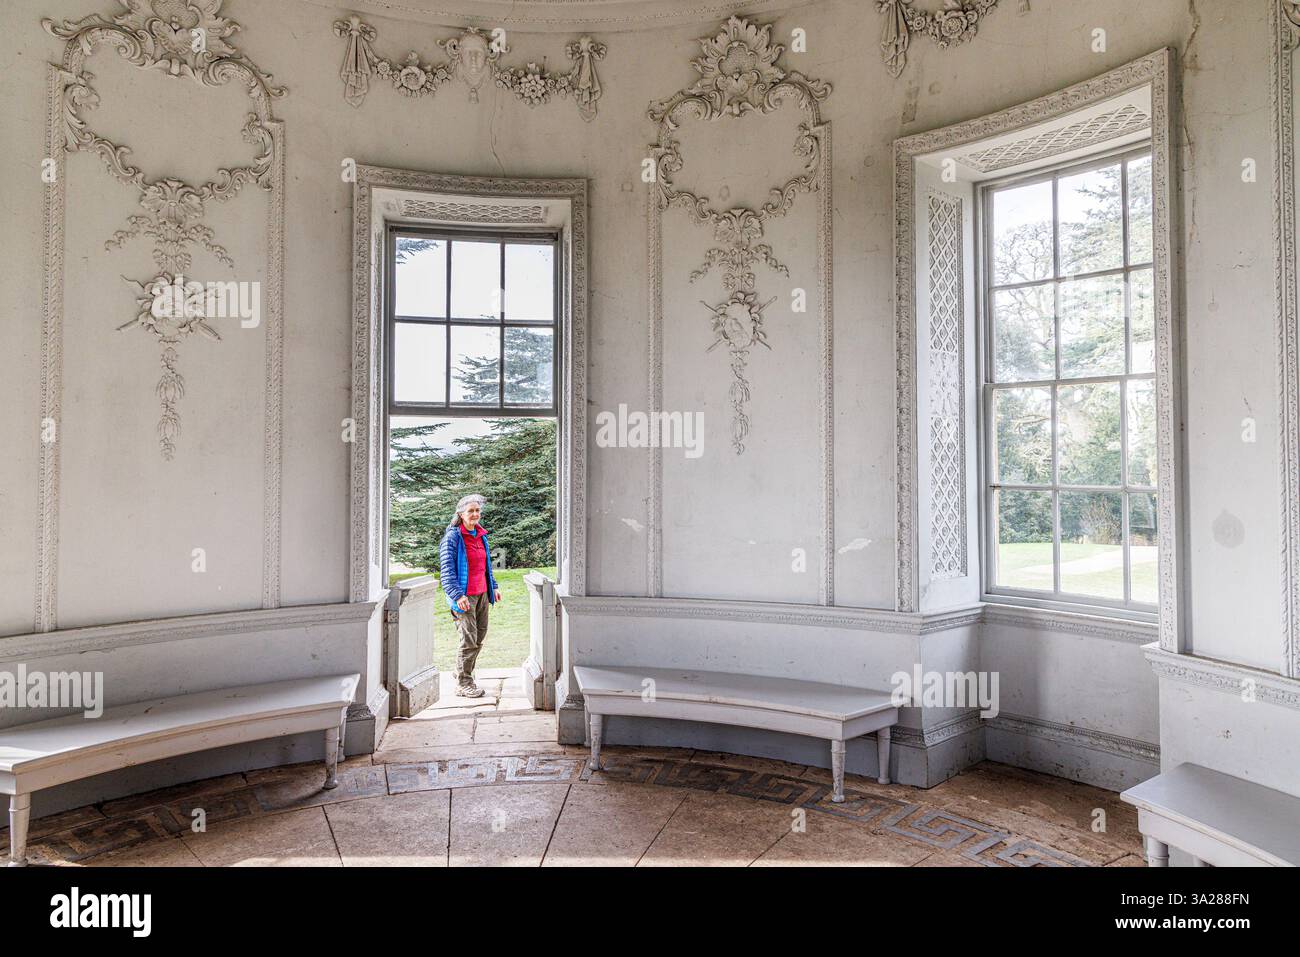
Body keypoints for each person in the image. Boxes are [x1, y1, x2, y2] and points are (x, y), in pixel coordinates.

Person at [439, 494, 502, 697]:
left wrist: (494, 586)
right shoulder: (453, 538)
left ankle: (460, 671)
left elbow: (485, 566)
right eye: (470, 511)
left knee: (479, 637)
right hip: (464, 597)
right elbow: (447, 571)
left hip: (482, 594)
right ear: (461, 514)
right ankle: (464, 682)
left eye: (477, 511)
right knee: (469, 640)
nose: (475, 514)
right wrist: (458, 596)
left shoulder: (481, 534)